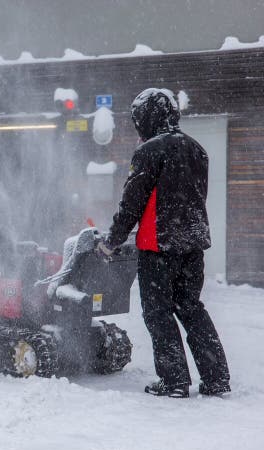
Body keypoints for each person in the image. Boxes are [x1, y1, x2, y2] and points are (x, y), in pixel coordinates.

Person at [99, 88, 231, 398]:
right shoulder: (198, 150)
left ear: (146, 117)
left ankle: (174, 381)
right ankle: (216, 377)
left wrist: (112, 241)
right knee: (191, 308)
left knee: (157, 313)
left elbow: (132, 202)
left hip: (159, 248)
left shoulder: (150, 151)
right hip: (193, 245)